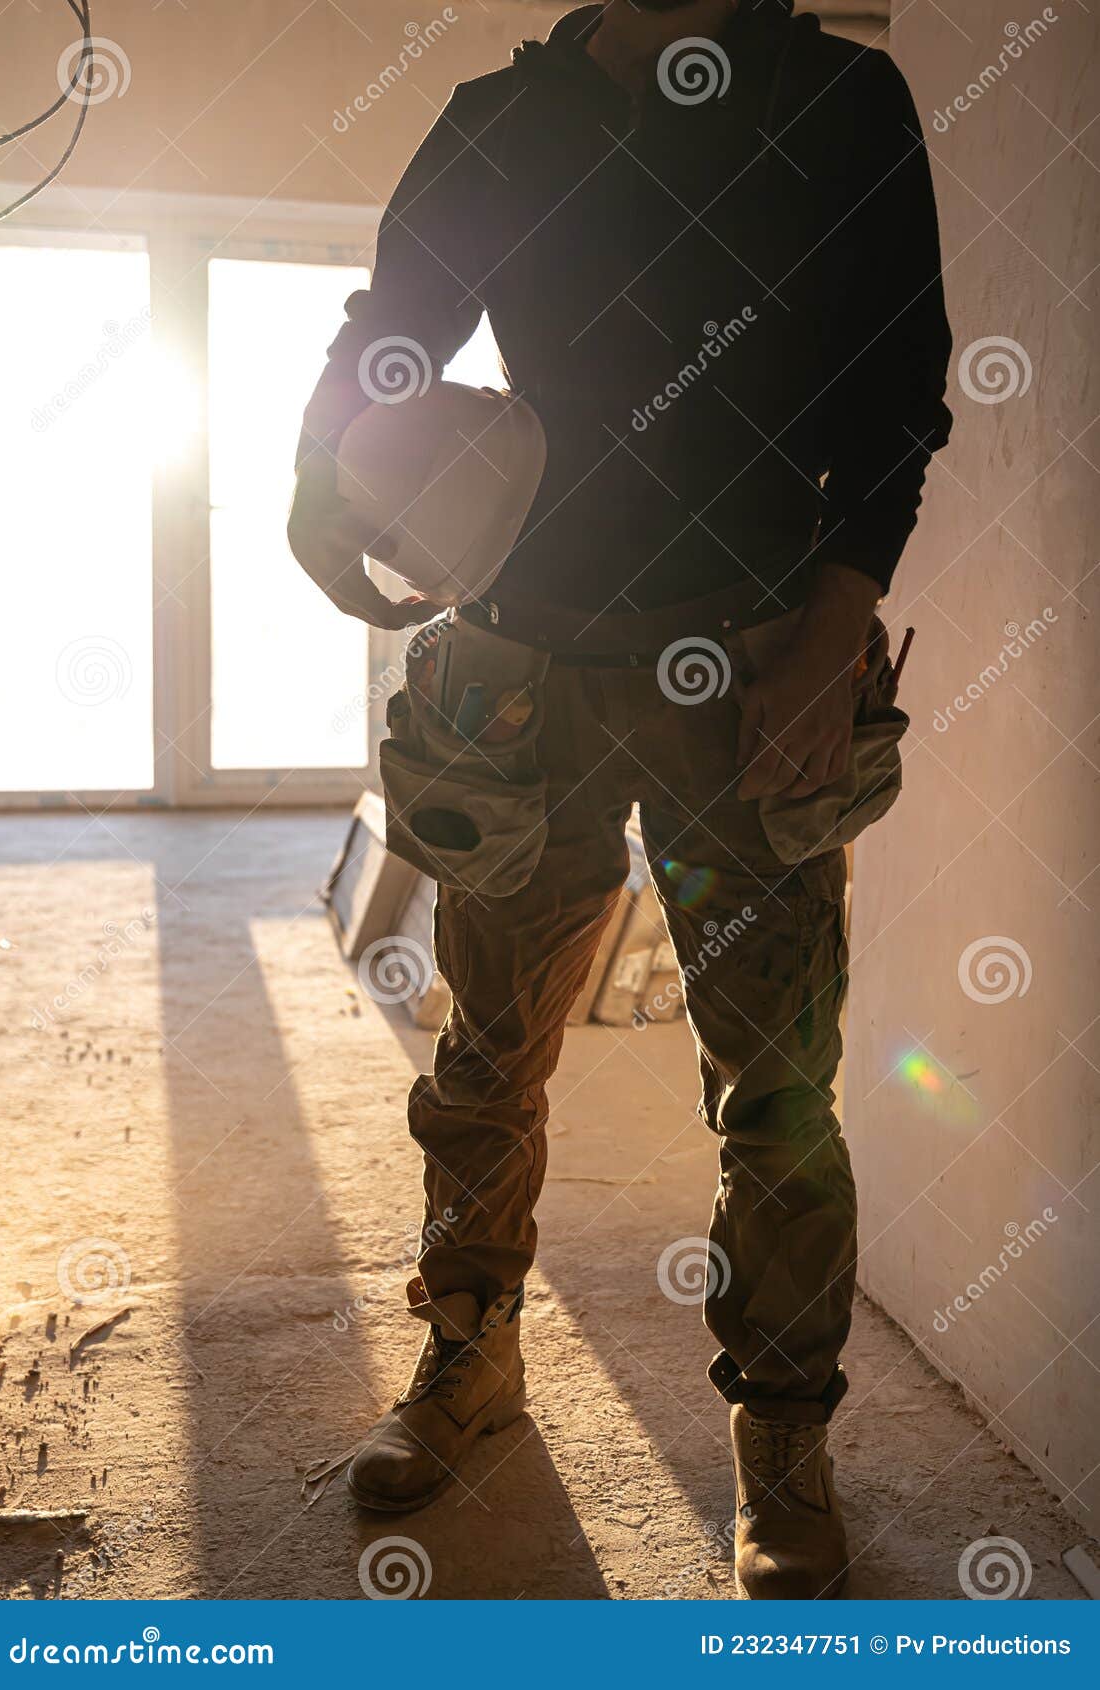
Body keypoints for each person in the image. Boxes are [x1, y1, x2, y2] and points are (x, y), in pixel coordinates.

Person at [288, 0, 952, 1598]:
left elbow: (896, 381)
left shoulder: (835, 103)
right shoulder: (498, 122)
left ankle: (780, 1437)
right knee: (487, 1051)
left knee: (778, 1087)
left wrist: (836, 618)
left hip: (749, 662)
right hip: (521, 662)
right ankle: (469, 1361)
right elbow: (398, 324)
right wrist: (329, 489)